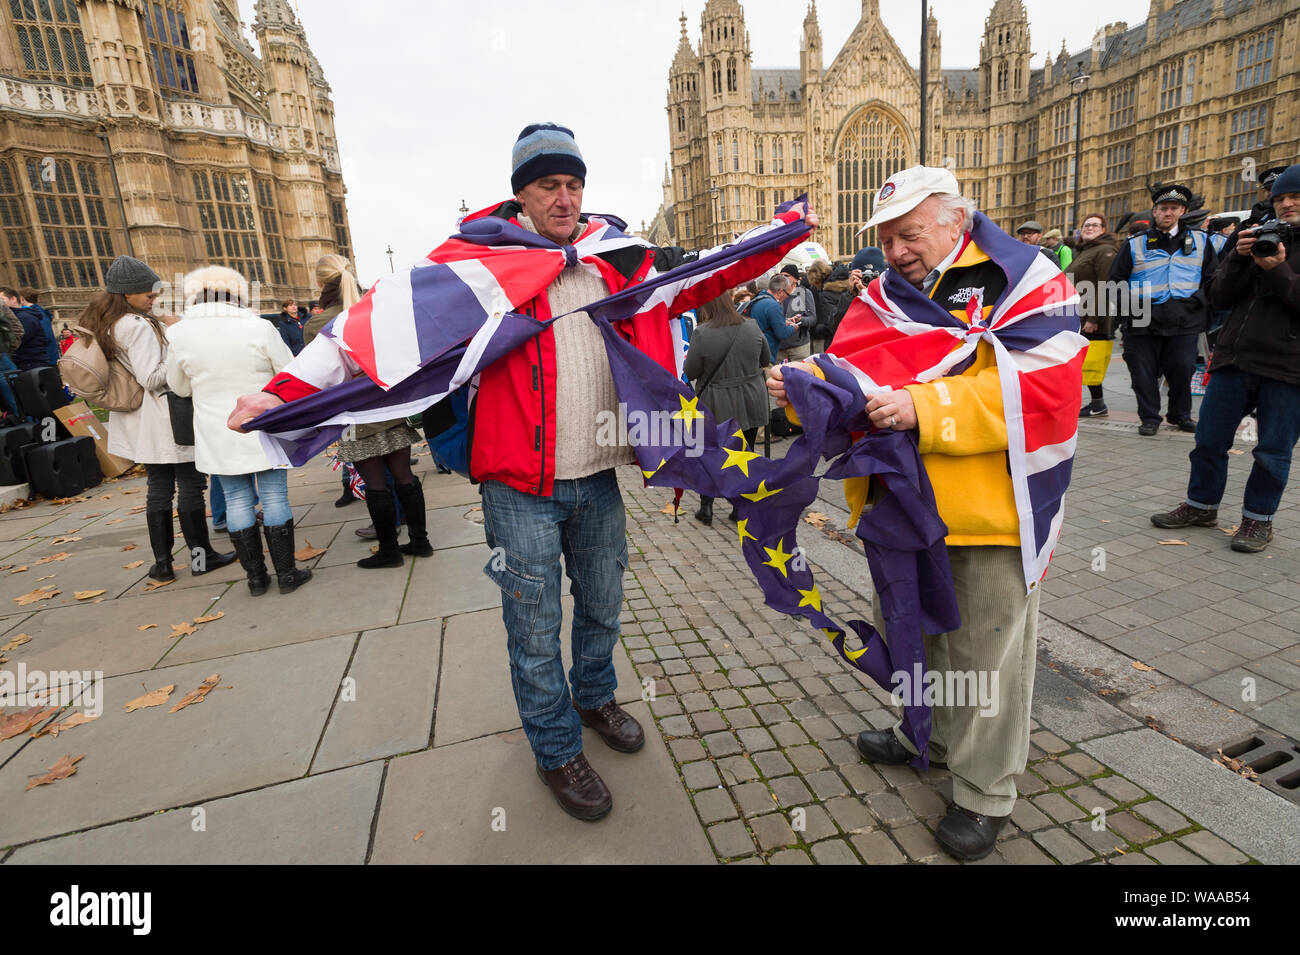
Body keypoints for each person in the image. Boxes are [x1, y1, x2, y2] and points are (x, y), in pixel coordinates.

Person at [226, 123, 817, 820]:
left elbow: (702, 276)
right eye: (548, 185)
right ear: (521, 193)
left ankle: (594, 697)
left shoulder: (613, 258)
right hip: (518, 487)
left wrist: (780, 234)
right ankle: (556, 746)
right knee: (532, 627)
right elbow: (363, 332)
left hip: (597, 477)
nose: (564, 198)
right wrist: (281, 393)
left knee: (601, 605)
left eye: (573, 184)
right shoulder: (474, 266)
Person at [767, 165, 1081, 861]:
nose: (896, 249)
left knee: (986, 656)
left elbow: (1048, 392)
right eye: (887, 236)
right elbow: (849, 374)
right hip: (899, 508)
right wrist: (800, 386)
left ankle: (984, 792)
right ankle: (926, 735)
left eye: (909, 234)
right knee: (912, 633)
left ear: (954, 220)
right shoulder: (883, 295)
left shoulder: (1023, 283)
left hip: (988, 514)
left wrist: (926, 406)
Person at [1151, 164, 1300, 553]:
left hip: (1289, 368)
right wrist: (1238, 257)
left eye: (1294, 197)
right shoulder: (1258, 235)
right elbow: (1217, 298)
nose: (1285, 204)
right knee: (1208, 441)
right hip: (1234, 358)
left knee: (1272, 452)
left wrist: (1277, 269)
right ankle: (1201, 506)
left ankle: (1257, 520)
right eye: (1280, 198)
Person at [75, 255, 234, 582]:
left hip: (140, 421)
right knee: (190, 484)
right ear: (126, 294)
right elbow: (151, 377)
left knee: (158, 488)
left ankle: (162, 565)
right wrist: (178, 346)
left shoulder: (109, 324)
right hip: (164, 417)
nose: (153, 299)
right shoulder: (137, 326)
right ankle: (202, 558)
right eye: (147, 294)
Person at [165, 265, 309, 595]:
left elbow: (179, 387)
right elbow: (288, 375)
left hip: (217, 430)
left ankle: (256, 578)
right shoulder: (259, 327)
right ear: (237, 294)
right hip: (262, 425)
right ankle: (287, 574)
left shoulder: (180, 334)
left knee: (235, 500)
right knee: (274, 496)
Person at [305, 254, 422, 558]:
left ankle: (388, 551)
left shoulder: (317, 324)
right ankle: (421, 542)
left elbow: (318, 377)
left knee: (375, 484)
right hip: (390, 408)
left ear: (320, 282)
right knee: (404, 477)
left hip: (356, 416)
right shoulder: (375, 312)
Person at [1108, 183, 1218, 436]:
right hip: (1142, 317)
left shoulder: (1201, 241)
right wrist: (1130, 306)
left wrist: (1198, 300)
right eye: (1163, 208)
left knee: (1182, 368)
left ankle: (1180, 415)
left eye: (1174, 208)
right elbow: (1115, 280)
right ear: (1154, 212)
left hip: (1184, 316)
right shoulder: (1135, 243)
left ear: (1183, 211)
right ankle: (1149, 417)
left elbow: (1214, 277)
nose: (1167, 213)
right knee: (1142, 371)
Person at [682, 294, 771, 525]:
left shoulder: (702, 332)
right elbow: (765, 359)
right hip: (751, 398)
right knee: (745, 453)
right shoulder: (751, 325)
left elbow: (690, 371)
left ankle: (707, 507)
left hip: (716, 402)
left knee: (710, 454)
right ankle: (741, 507)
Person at [1070, 213, 1122, 417]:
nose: (1089, 228)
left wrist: (1093, 318)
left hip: (1094, 317)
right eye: (1086, 225)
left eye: (1094, 225)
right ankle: (1096, 403)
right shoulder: (1085, 251)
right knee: (1086, 361)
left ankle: (1097, 404)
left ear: (1103, 229)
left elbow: (1104, 286)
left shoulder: (1105, 251)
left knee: (1092, 362)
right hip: (1079, 314)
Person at [1, 286, 53, 372]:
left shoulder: (24, 317)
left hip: (31, 364)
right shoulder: (20, 316)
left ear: (13, 299)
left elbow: (18, 340)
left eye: (2, 299)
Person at [750, 273, 796, 360]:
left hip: (756, 351)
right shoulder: (773, 305)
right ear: (780, 292)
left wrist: (784, 321)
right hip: (766, 354)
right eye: (788, 294)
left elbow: (765, 321)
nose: (787, 297)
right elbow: (782, 333)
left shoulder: (758, 299)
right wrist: (793, 327)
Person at [778, 264, 814, 361]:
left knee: (800, 375)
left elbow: (812, 318)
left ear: (795, 279)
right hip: (779, 347)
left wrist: (800, 319)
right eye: (781, 276)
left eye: (786, 276)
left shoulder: (805, 293)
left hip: (799, 347)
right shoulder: (777, 293)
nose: (782, 278)